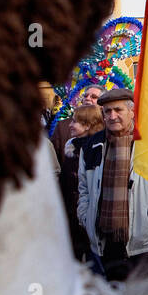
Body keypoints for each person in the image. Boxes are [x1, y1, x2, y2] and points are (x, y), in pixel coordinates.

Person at [76, 88, 148, 282]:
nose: (112, 116)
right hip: (103, 241)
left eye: (118, 110)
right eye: (107, 111)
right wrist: (85, 215)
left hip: (141, 240)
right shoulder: (91, 145)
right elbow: (83, 187)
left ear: (132, 112)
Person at [60, 104, 104, 262]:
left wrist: (85, 215)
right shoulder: (71, 148)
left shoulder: (96, 149)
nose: (70, 125)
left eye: (75, 122)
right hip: (72, 216)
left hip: (91, 220)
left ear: (87, 125)